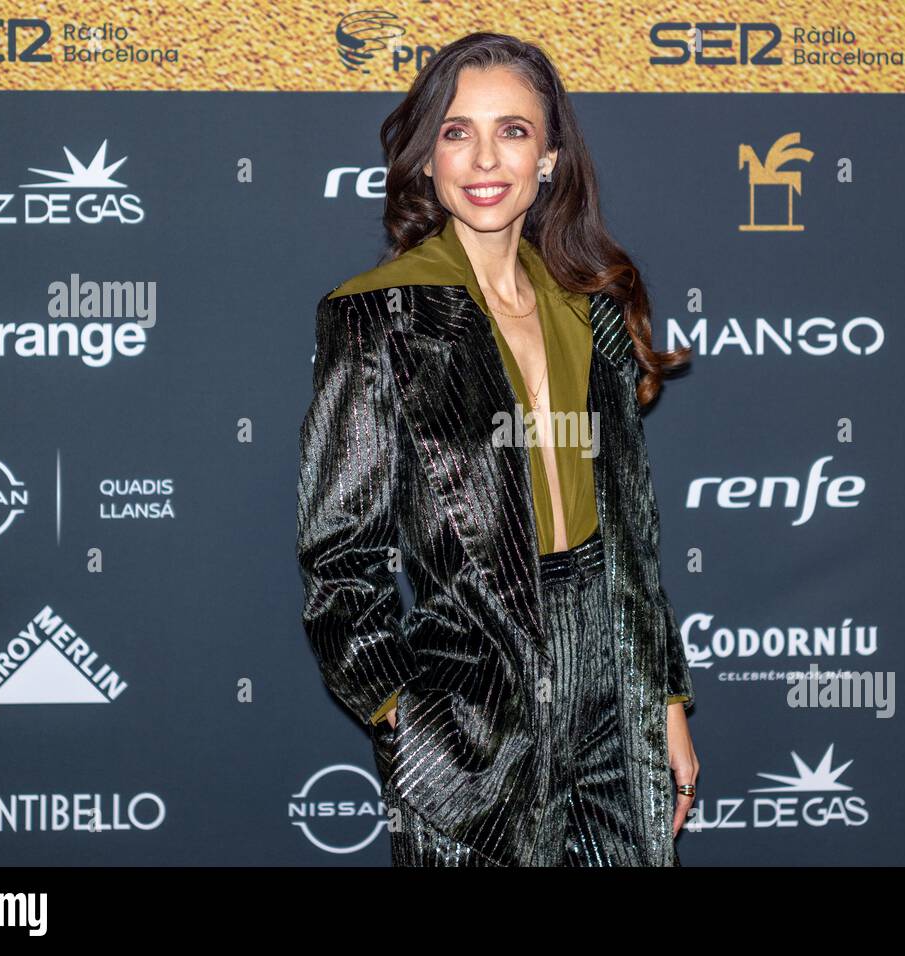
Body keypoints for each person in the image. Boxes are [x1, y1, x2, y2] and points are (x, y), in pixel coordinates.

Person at [296, 31, 699, 866]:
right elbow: (341, 559)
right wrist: (402, 715)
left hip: (614, 680)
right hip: (473, 693)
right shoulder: (379, 315)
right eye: (456, 131)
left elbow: (632, 530)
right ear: (428, 159)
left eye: (513, 131)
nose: (485, 158)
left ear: (550, 157)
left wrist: (661, 696)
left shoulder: (592, 307)